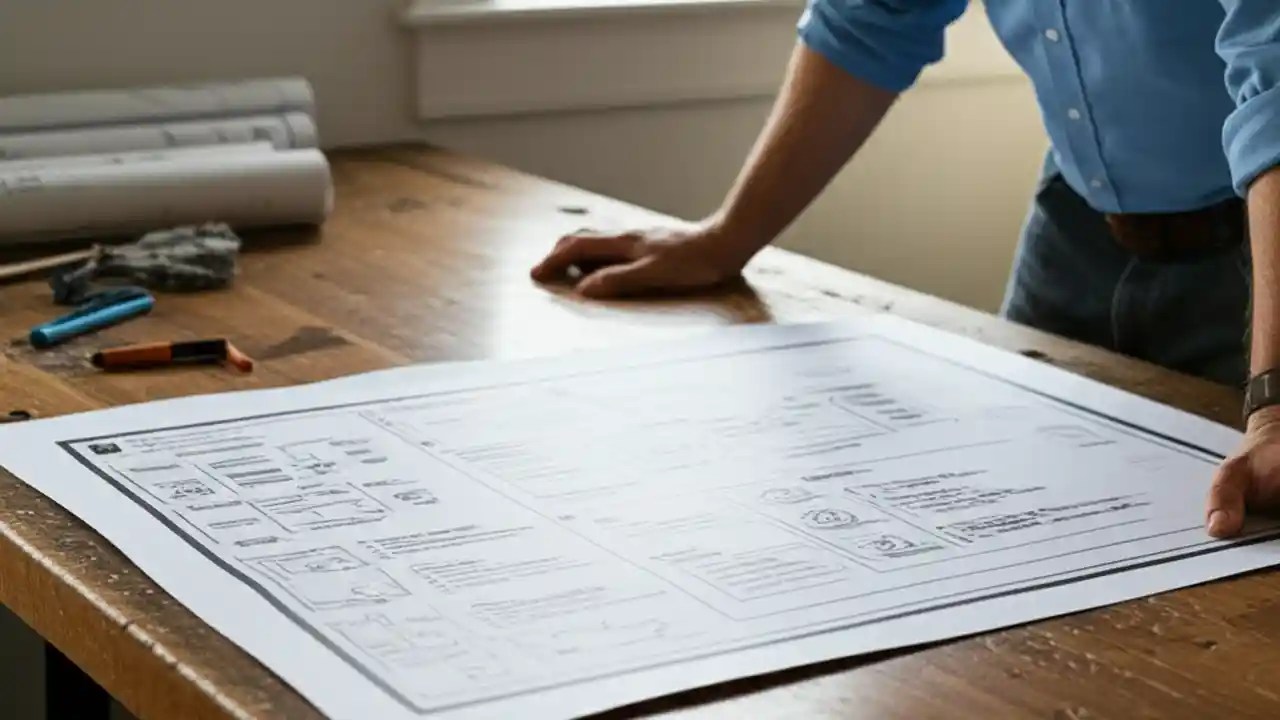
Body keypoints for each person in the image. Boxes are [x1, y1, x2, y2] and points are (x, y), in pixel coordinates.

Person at [530, 2, 1280, 538]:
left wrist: (1275, 407)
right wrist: (725, 239)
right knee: (1023, 522)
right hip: (1077, 223)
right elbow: (870, 21)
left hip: (1258, 241)